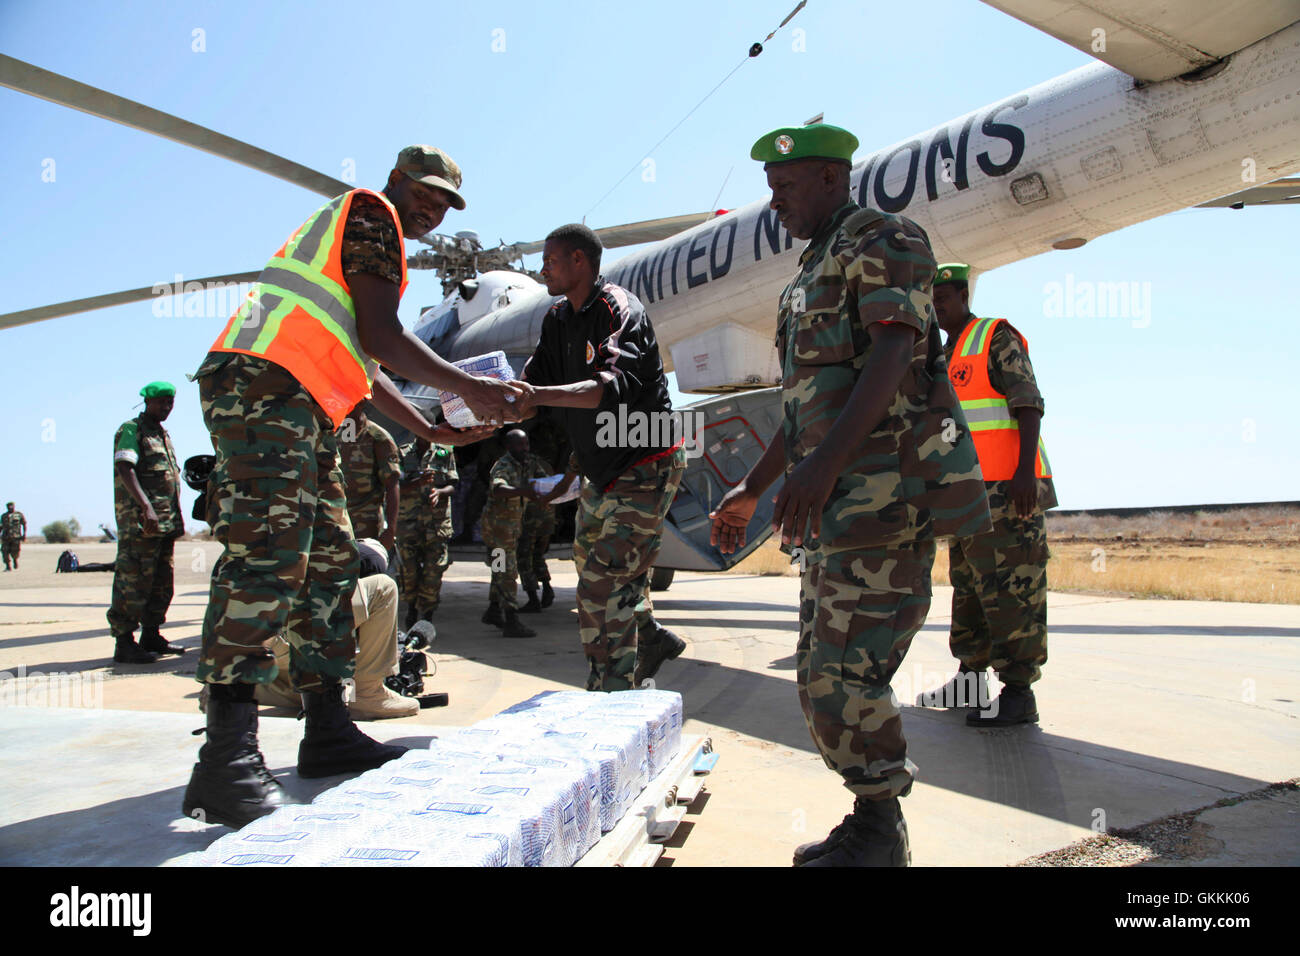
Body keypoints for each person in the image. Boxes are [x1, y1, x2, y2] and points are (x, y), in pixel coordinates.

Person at [183, 144, 513, 829]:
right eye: (423, 194)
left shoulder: (372, 245)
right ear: (395, 182)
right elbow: (383, 336)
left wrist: (431, 425)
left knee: (334, 561)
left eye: (443, 203)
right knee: (269, 556)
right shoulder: (370, 216)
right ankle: (225, 757)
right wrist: (471, 388)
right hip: (262, 386)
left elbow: (364, 365)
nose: (430, 210)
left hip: (303, 401)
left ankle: (327, 727)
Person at [709, 124, 991, 867]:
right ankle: (872, 820)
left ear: (832, 179)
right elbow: (806, 405)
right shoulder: (810, 271)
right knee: (822, 672)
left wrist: (824, 468)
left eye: (787, 186)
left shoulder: (884, 238)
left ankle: (878, 829)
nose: (776, 204)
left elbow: (899, 352)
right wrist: (753, 484)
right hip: (840, 506)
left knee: (839, 675)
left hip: (884, 497)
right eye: (771, 190)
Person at [512, 224, 687, 692]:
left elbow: (608, 390)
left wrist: (534, 395)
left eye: (549, 260)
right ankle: (648, 638)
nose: (542, 268)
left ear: (578, 261)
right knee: (595, 559)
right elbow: (536, 378)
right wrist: (504, 401)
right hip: (600, 468)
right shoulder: (557, 318)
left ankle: (610, 690)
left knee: (603, 580)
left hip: (646, 458)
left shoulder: (618, 309)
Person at [919, 263, 1055, 726]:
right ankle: (970, 681)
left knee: (1012, 589)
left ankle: (1018, 693)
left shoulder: (995, 336)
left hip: (1006, 489)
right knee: (970, 588)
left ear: (962, 296)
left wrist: (1024, 476)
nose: (938, 305)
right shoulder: (944, 351)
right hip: (966, 495)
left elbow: (1028, 404)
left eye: (945, 297)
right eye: (931, 299)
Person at [244, 539, 418, 720]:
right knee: (383, 588)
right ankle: (368, 694)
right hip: (293, 632)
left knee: (320, 687)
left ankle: (244, 687)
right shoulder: (373, 556)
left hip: (255, 639)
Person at [107, 382, 186, 664]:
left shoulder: (162, 434)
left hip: (164, 523)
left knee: (161, 582)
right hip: (141, 523)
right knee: (133, 580)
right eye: (161, 403)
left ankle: (151, 634)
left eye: (170, 403)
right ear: (147, 402)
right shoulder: (132, 430)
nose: (166, 408)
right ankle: (124, 642)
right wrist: (146, 507)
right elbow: (125, 468)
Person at [480, 429, 539, 639]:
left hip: (510, 528)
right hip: (497, 530)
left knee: (498, 569)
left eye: (526, 444)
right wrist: (523, 491)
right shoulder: (502, 465)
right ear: (509, 447)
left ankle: (493, 610)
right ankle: (511, 620)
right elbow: (498, 489)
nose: (525, 449)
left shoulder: (526, 463)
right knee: (507, 571)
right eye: (520, 445)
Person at [396, 433, 458, 629]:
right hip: (409, 523)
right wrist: (417, 483)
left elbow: (453, 484)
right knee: (409, 571)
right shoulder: (403, 453)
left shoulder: (444, 452)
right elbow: (395, 486)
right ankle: (412, 609)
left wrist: (440, 492)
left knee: (434, 571)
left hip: (436, 524)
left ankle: (427, 615)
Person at [516, 450, 575, 612]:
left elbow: (504, 490)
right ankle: (547, 588)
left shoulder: (511, 465)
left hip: (524, 520)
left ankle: (529, 599)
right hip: (546, 517)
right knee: (537, 555)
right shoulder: (544, 463)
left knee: (522, 558)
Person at [338, 403, 401, 552]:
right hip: (336, 520)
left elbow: (392, 485)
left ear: (361, 402)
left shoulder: (378, 437)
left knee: (365, 571)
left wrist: (391, 530)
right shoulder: (334, 433)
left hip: (366, 524)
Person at [1, 502, 26, 571]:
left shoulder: (19, 514)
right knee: (4, 551)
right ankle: (8, 566)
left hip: (16, 537)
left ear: (14, 506)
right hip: (5, 537)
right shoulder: (4, 516)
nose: (10, 507)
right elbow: (1, 526)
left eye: (11, 506)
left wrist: (24, 535)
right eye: (8, 506)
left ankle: (15, 560)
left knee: (15, 551)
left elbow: (24, 524)